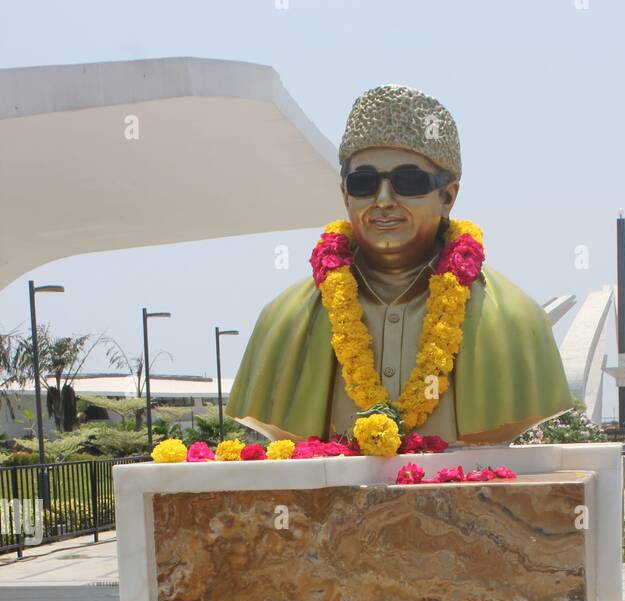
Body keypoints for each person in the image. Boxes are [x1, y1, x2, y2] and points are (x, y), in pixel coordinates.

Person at [228, 84, 572, 455]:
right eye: (364, 183)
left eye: (408, 182)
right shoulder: (284, 322)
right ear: (345, 195)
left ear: (448, 196)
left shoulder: (514, 320)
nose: (383, 200)